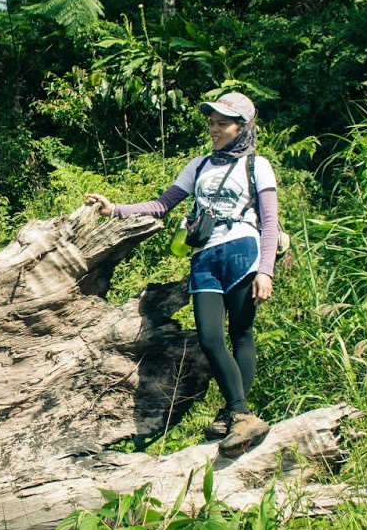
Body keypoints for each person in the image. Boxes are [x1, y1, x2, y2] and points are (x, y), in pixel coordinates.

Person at [84, 92, 282, 457]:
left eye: (223, 124)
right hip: (205, 256)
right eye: (212, 123)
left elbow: (270, 223)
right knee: (210, 337)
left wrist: (265, 271)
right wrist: (116, 209)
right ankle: (240, 413)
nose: (215, 129)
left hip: (243, 252)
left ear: (242, 127)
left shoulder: (257, 165)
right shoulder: (199, 165)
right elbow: (162, 205)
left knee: (241, 333)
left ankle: (235, 413)